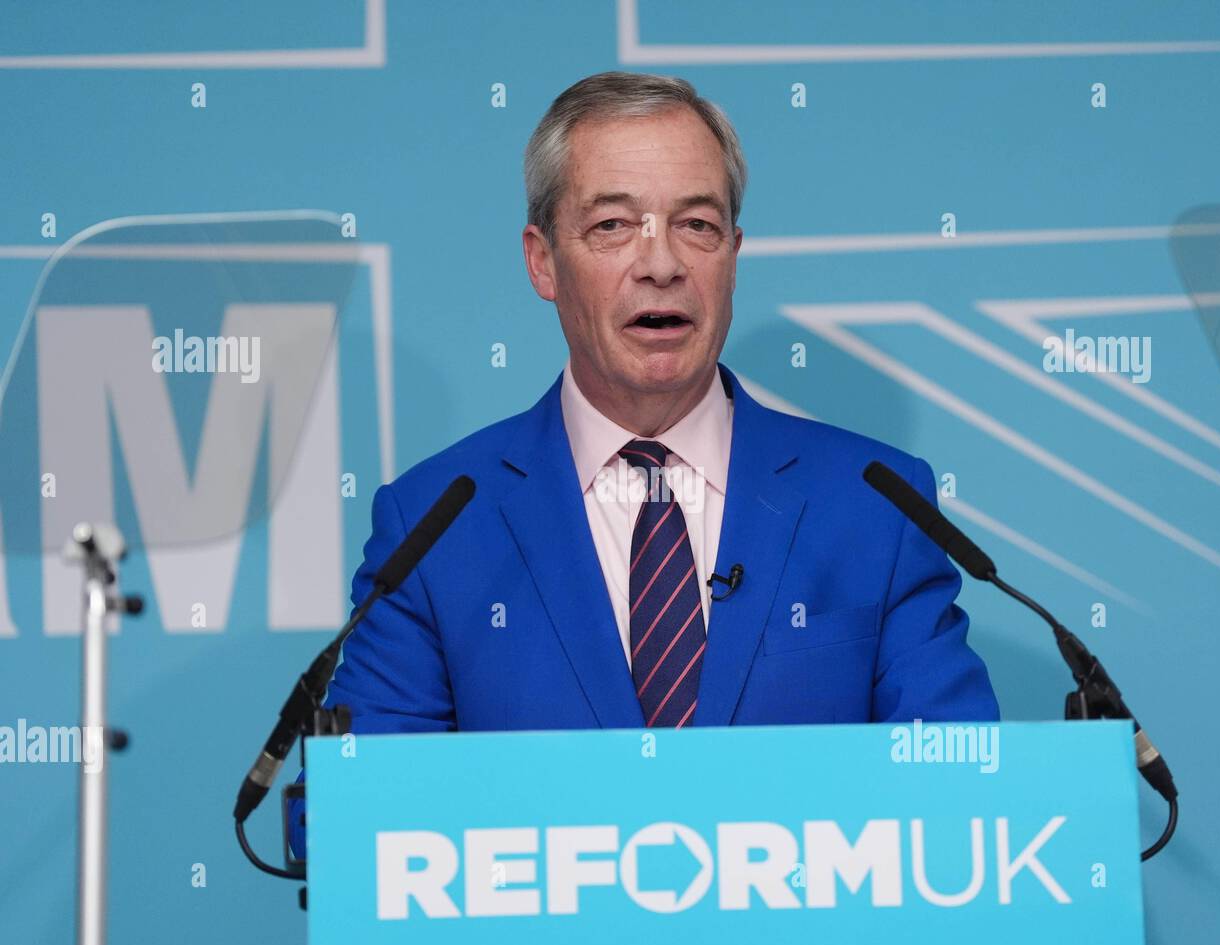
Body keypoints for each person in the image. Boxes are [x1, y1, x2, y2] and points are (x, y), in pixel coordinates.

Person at [289, 71, 997, 858]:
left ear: (733, 253)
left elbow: (963, 789)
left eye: (696, 224)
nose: (660, 264)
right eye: (613, 227)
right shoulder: (435, 526)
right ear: (543, 261)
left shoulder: (874, 507)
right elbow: (351, 818)